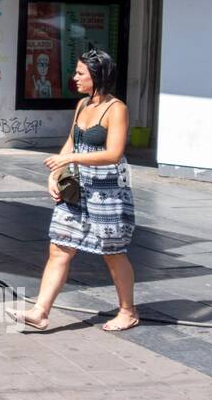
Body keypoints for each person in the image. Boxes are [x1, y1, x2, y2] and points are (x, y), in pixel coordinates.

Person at [10, 50, 138, 333]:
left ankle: (127, 311)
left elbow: (114, 153)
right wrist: (55, 174)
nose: (75, 78)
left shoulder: (116, 109)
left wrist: (69, 160)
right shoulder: (82, 105)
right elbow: (71, 142)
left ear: (98, 75)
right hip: (77, 188)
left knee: (112, 251)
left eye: (81, 73)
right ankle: (40, 312)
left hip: (107, 191)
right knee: (59, 247)